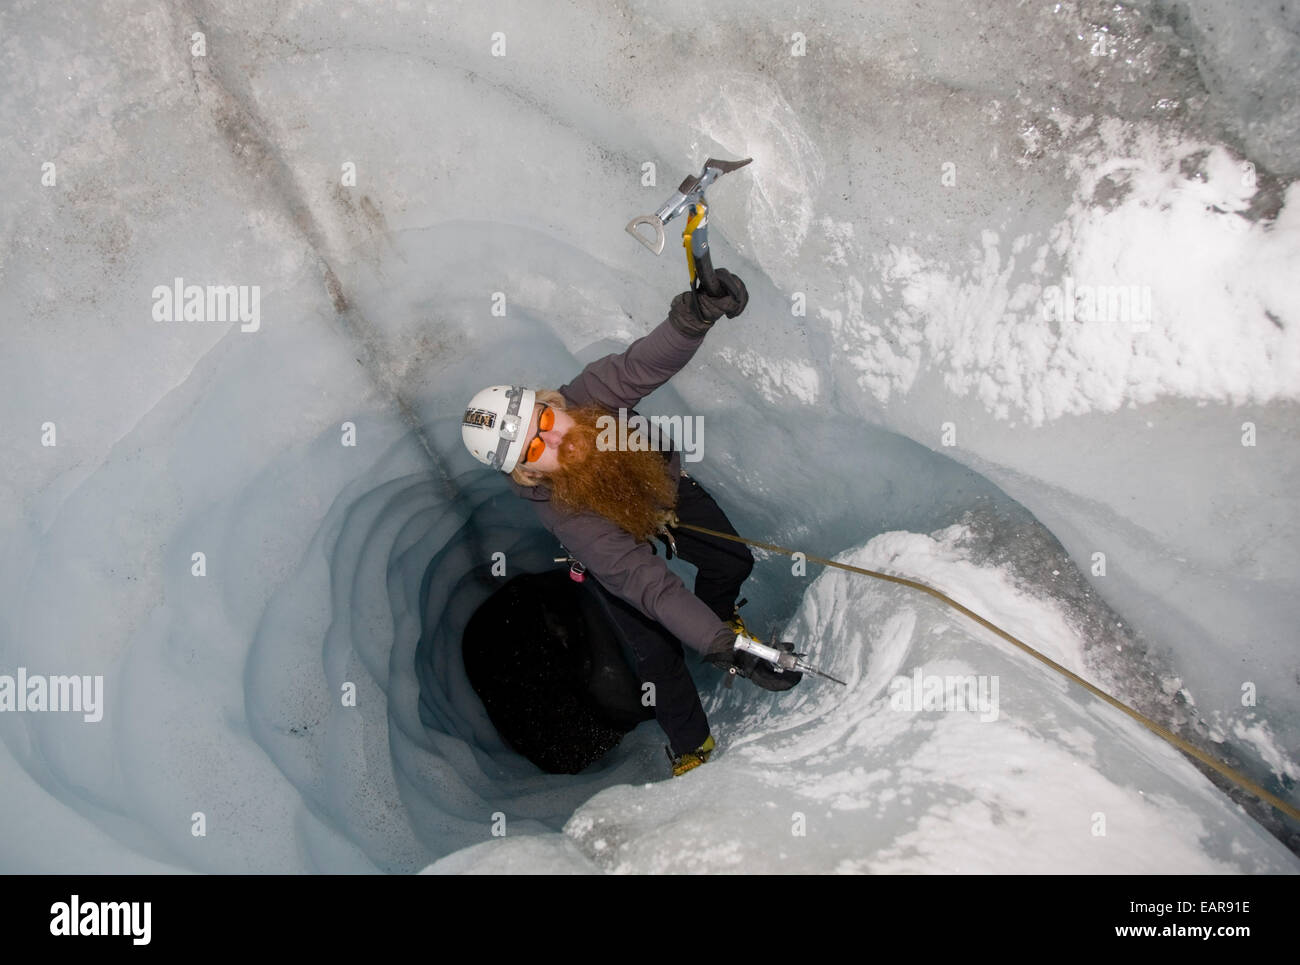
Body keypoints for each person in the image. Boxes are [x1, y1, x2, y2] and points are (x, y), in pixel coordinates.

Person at [461, 270, 801, 777]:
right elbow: (651, 587)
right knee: (656, 652)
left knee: (731, 557)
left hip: (659, 493)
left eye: (546, 422)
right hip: (611, 547)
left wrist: (694, 318)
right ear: (527, 470)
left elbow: (642, 366)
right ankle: (691, 746)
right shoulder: (567, 516)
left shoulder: (586, 397)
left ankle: (718, 614)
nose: (555, 440)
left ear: (551, 405)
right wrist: (730, 652)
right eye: (534, 447)